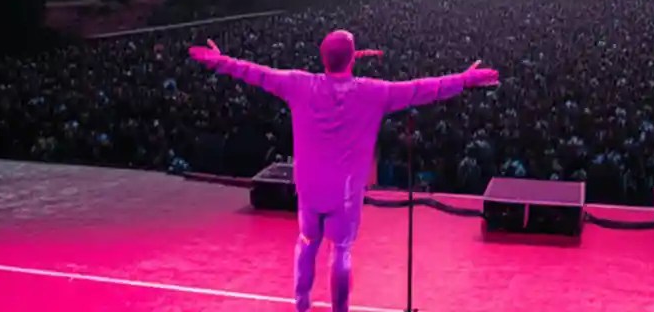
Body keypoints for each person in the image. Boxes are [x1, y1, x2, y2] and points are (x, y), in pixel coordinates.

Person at [189, 29, 499, 312]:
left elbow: (255, 73)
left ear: (322, 58)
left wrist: (221, 61)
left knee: (307, 242)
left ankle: (302, 304)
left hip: (309, 187)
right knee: (341, 251)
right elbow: (421, 89)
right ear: (353, 58)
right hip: (346, 192)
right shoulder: (374, 92)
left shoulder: (298, 84)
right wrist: (464, 79)